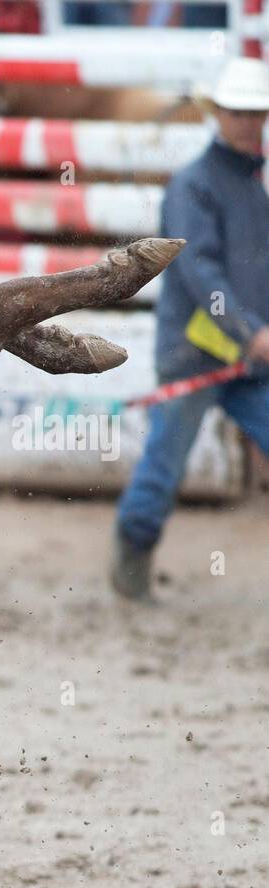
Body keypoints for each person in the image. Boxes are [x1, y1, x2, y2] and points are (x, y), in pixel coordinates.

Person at [111, 57, 269, 603]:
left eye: (257, 113)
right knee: (165, 463)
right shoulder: (195, 186)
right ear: (219, 114)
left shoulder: (249, 184)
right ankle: (132, 557)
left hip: (243, 353)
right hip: (200, 351)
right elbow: (201, 271)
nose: (251, 123)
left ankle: (131, 558)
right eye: (241, 112)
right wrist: (251, 331)